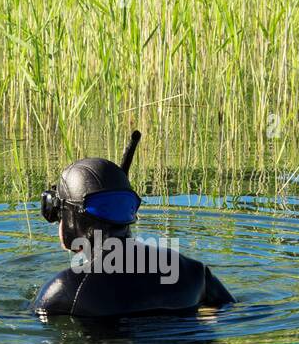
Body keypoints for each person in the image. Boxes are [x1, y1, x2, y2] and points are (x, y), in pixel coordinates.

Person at [32, 132, 234, 318]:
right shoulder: (193, 273)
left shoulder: (66, 290)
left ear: (71, 219)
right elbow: (231, 310)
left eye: (59, 215)